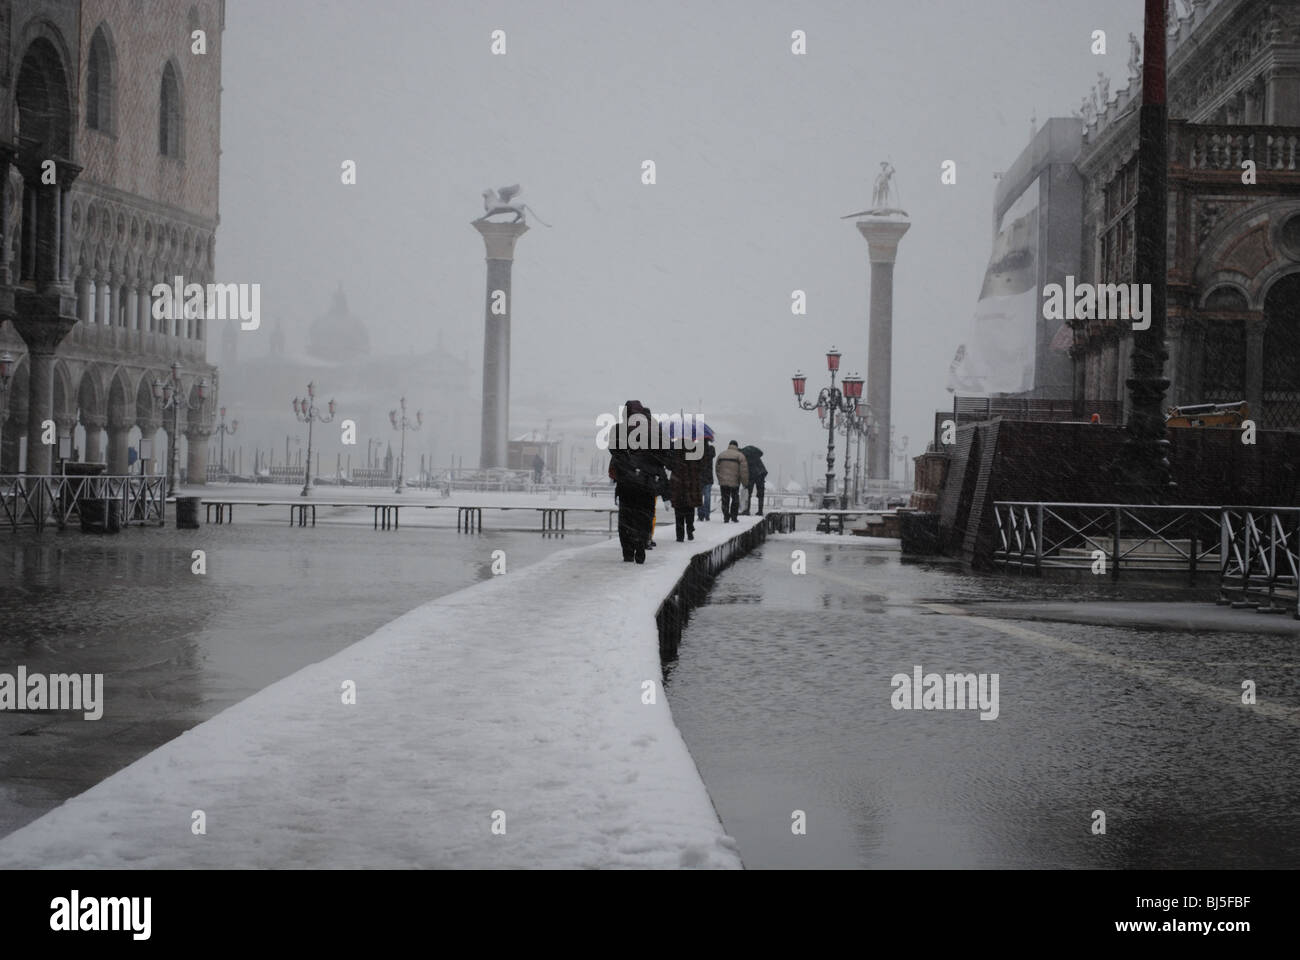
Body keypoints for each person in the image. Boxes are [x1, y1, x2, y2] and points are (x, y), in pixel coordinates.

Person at [608, 400, 667, 563]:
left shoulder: (618, 429)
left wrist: (628, 465)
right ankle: (640, 548)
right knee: (644, 516)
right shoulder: (654, 431)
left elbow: (614, 451)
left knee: (626, 517)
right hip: (647, 484)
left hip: (626, 483)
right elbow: (663, 455)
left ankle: (627, 551)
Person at [668, 434, 703, 542]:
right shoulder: (694, 448)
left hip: (678, 481)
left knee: (679, 509)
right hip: (691, 481)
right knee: (690, 507)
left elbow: (669, 465)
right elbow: (700, 465)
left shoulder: (674, 448)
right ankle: (690, 528)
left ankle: (680, 535)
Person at [714, 440, 749, 523]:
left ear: (729, 445)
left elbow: (717, 469)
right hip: (735, 482)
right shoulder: (740, 456)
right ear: (736, 446)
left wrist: (720, 479)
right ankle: (734, 517)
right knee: (735, 499)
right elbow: (743, 471)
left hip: (723, 482)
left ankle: (726, 516)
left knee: (725, 499)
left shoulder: (721, 455)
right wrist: (745, 483)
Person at [740, 444, 768, 516]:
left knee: (748, 493)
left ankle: (747, 510)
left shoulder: (745, 456)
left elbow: (745, 469)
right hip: (761, 473)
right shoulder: (756, 455)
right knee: (760, 493)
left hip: (752, 475)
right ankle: (760, 511)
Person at [697, 438, 716, 522]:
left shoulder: (697, 450)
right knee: (707, 497)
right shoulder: (711, 449)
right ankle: (707, 515)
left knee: (699, 497)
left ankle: (700, 515)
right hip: (708, 477)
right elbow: (712, 455)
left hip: (699, 476)